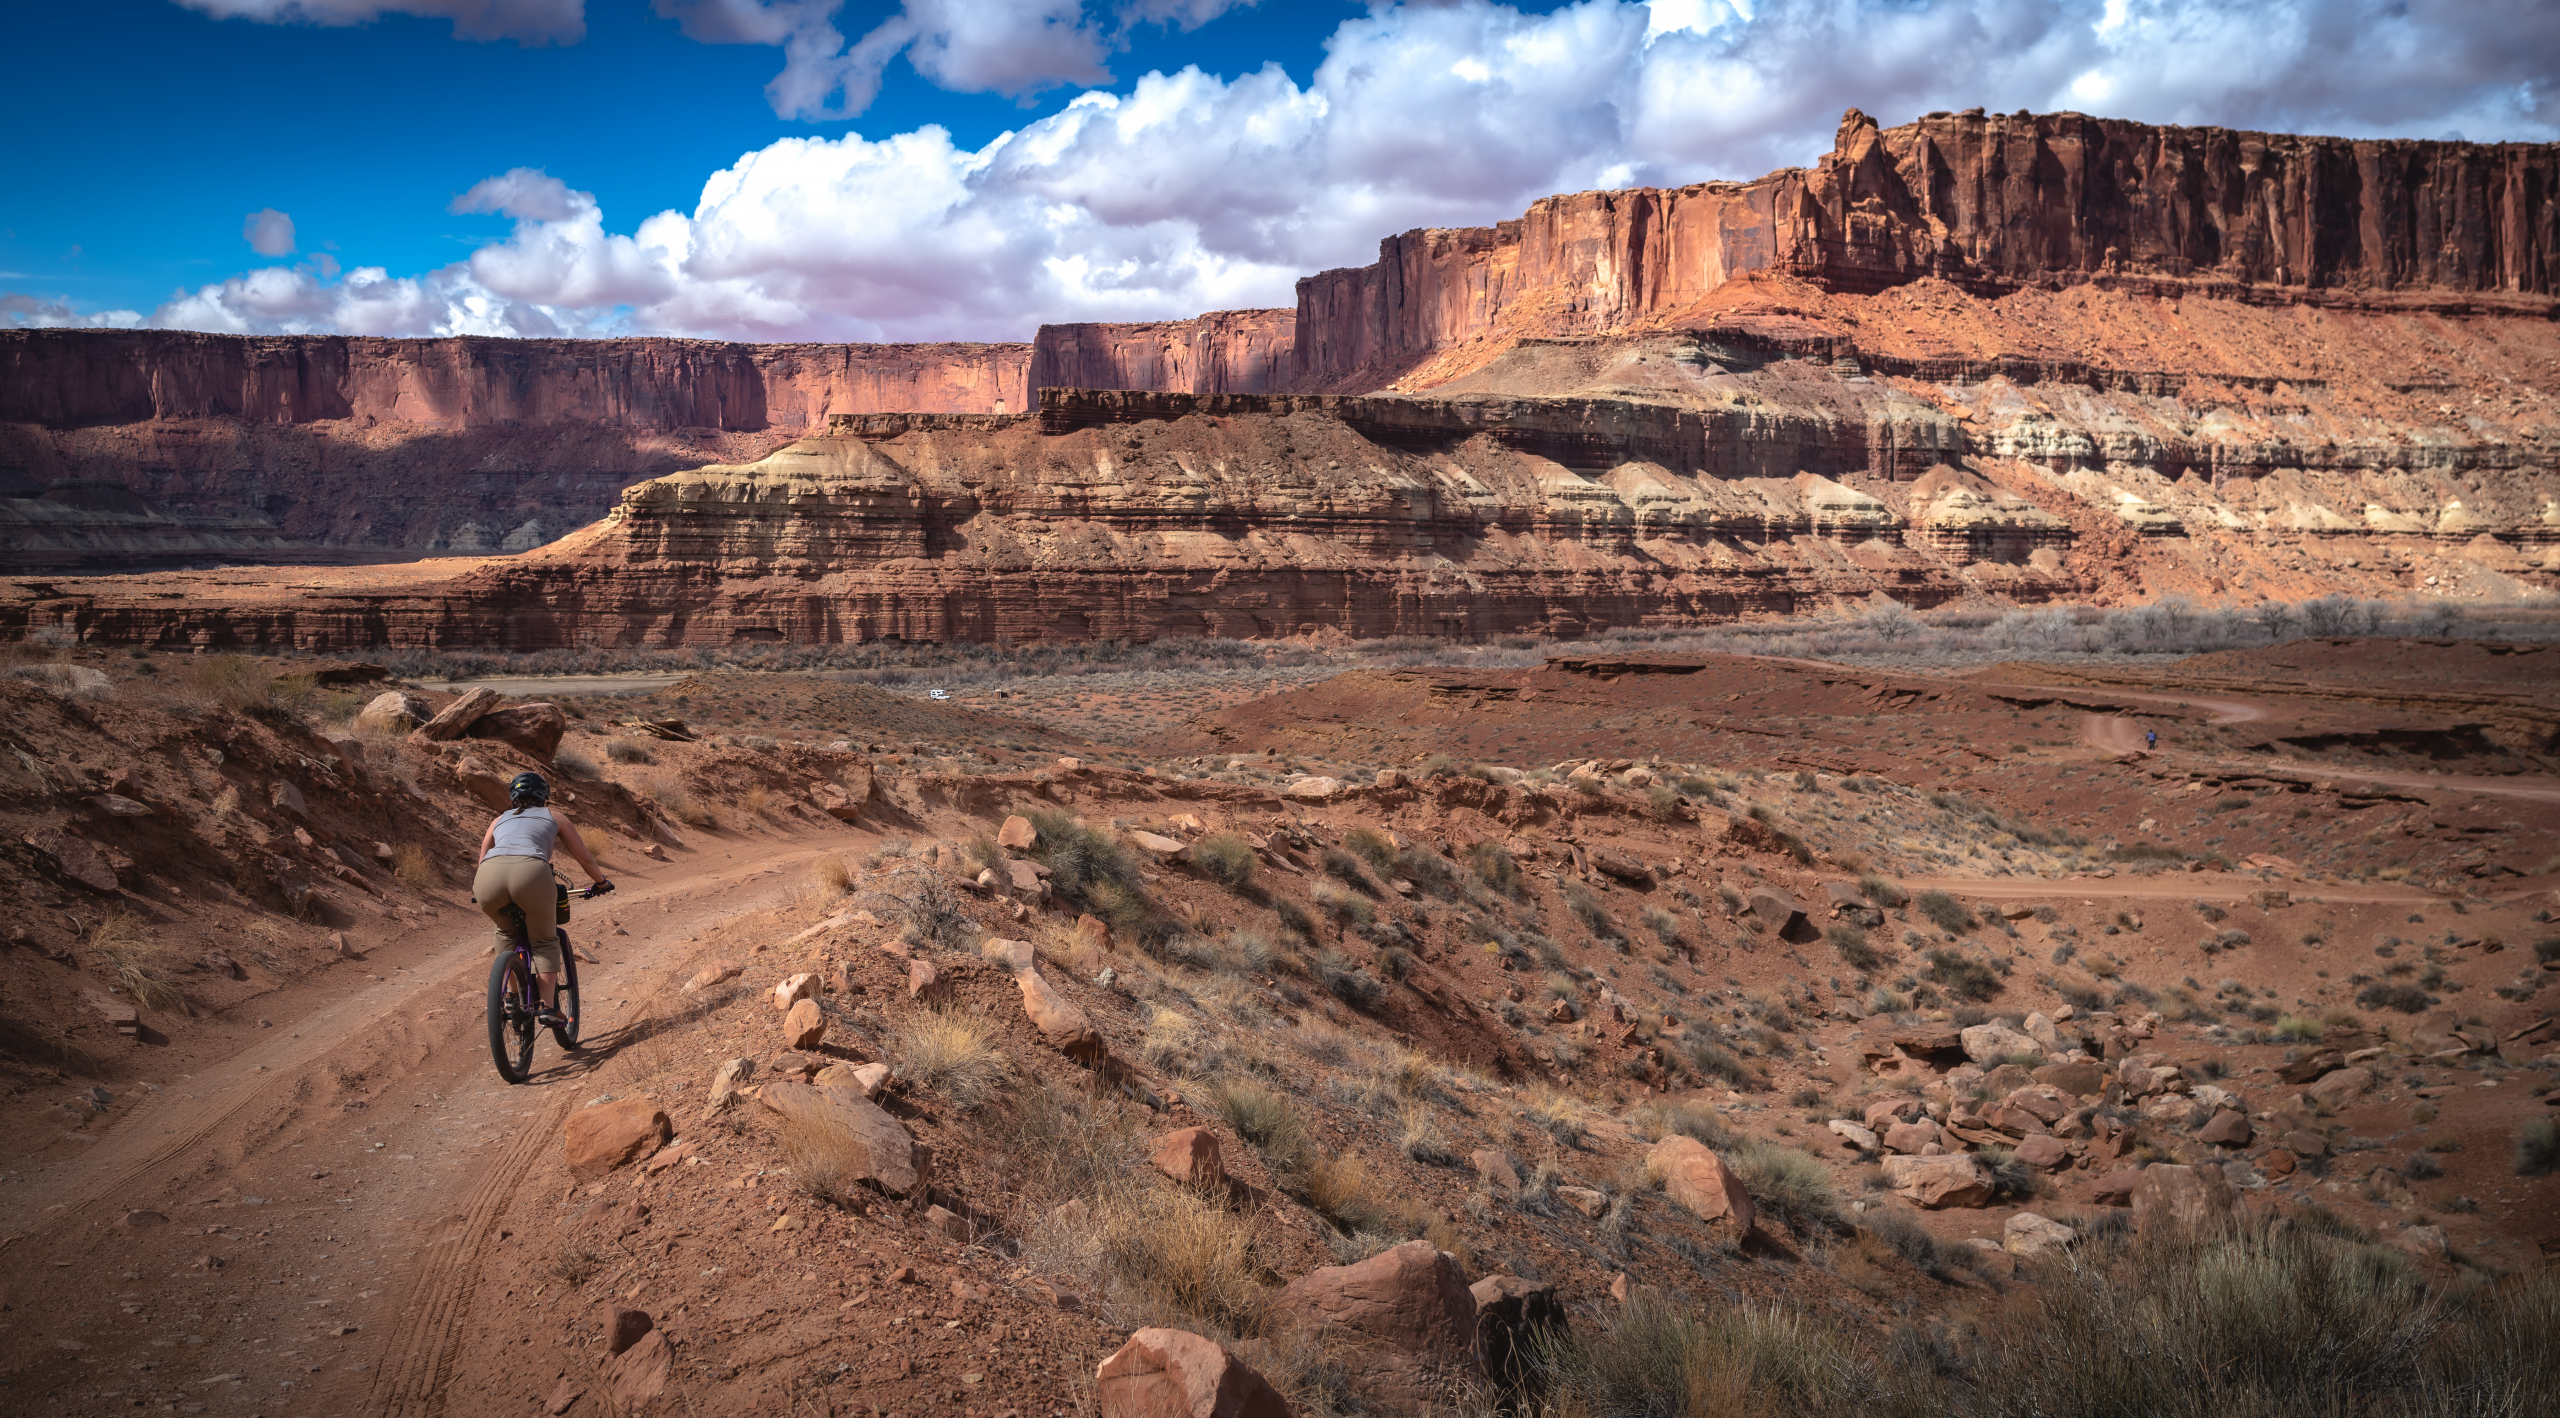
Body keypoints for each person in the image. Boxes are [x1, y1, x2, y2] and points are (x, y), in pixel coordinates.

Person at [474, 772, 609, 1026]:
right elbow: (586, 859)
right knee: (544, 940)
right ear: (544, 796)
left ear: (513, 796)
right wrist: (602, 882)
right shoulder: (555, 817)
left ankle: (511, 997)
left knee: (505, 933)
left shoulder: (498, 820)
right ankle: (547, 1007)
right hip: (531, 873)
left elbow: (482, 859)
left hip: (487, 877)